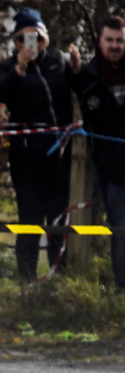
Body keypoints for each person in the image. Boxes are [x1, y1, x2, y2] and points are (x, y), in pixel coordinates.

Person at [0, 9, 74, 283]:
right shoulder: (7, 67)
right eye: (23, 38)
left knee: (59, 220)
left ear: (46, 38)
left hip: (61, 156)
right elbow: (1, 94)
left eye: (37, 37)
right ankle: (25, 281)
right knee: (29, 220)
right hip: (27, 156)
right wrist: (20, 68)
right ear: (15, 41)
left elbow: (81, 88)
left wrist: (76, 68)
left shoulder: (60, 61)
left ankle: (58, 278)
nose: (32, 44)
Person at [69, 15, 125, 290]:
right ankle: (122, 290)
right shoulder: (88, 77)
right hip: (112, 168)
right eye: (110, 40)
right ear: (99, 42)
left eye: (120, 40)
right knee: (121, 230)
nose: (115, 45)